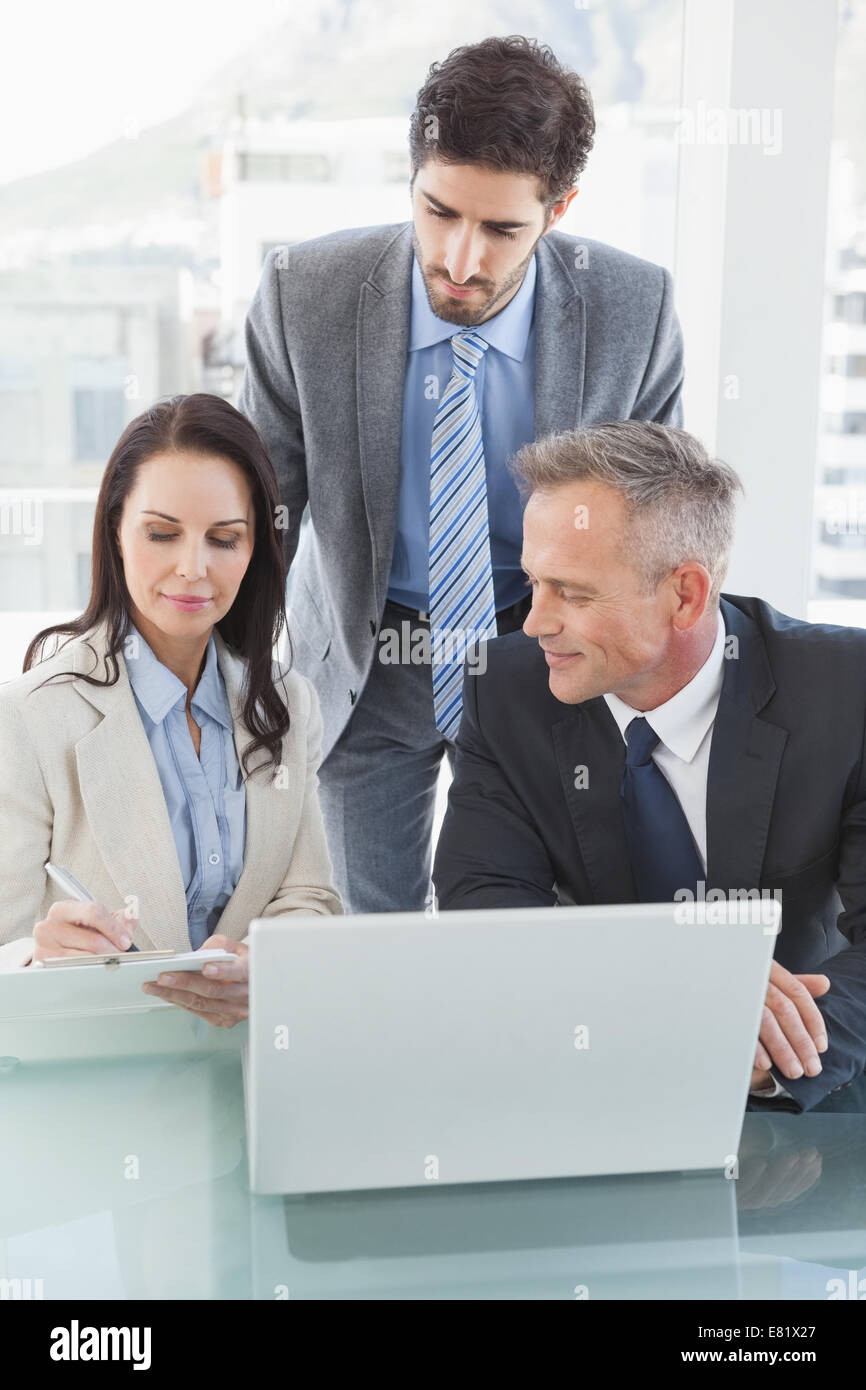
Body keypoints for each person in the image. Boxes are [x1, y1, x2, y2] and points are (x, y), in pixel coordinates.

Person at [237, 34, 684, 914]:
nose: (461, 259)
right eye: (439, 211)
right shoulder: (304, 295)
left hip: (545, 646)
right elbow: (259, 521)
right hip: (370, 657)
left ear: (559, 211)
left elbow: (656, 530)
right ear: (412, 179)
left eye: (503, 228)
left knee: (531, 932)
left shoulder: (635, 309)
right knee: (374, 931)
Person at [432, 420, 866, 1113]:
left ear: (686, 595)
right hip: (589, 1080)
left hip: (799, 1100)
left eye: (572, 593)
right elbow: (486, 919)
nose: (535, 621)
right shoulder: (505, 686)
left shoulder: (845, 689)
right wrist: (687, 995)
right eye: (532, 583)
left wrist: (770, 1056)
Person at [0, 393, 342, 1024]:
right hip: (97, 1071)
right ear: (116, 535)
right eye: (162, 534)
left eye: (224, 539)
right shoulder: (29, 717)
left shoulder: (290, 705)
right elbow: (4, 945)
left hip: (253, 1062)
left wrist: (265, 964)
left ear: (255, 548)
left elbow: (310, 896)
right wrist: (36, 956)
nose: (193, 568)